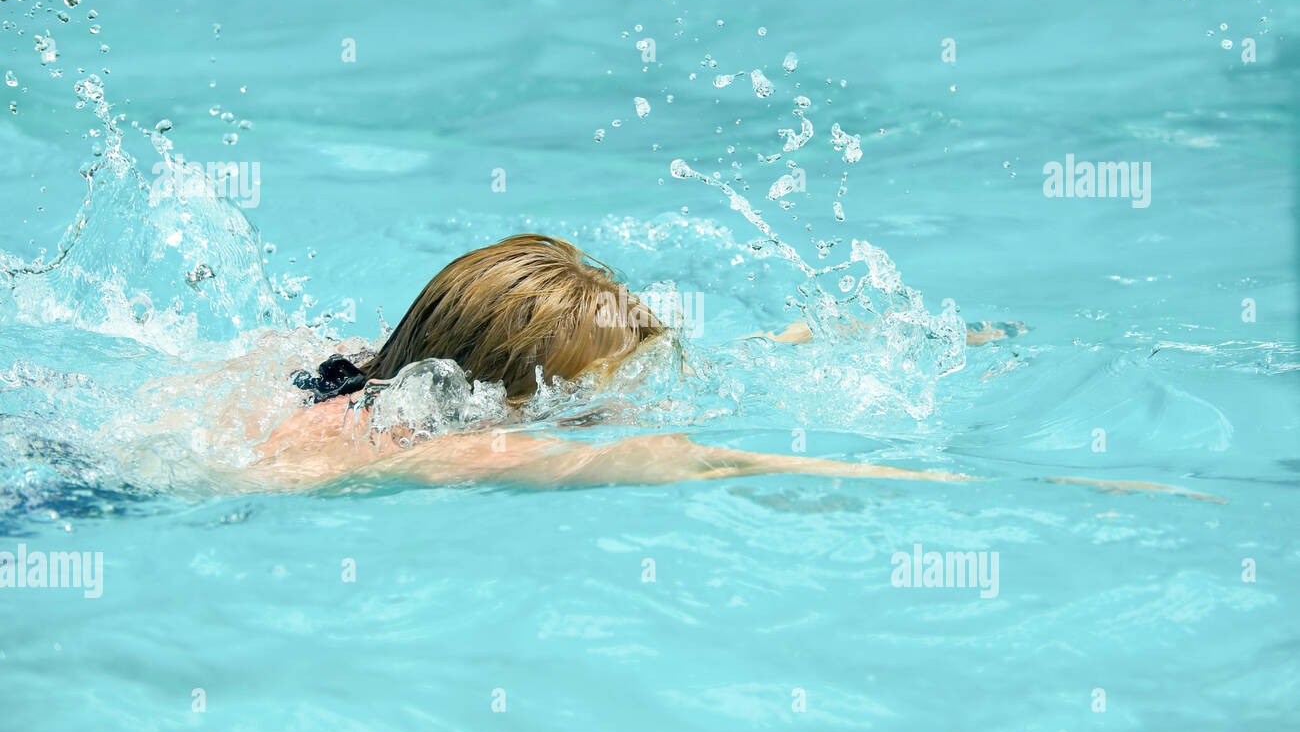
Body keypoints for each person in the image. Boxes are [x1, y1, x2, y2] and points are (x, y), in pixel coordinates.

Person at [249, 234, 971, 490]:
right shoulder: (441, 452)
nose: (618, 405)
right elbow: (692, 461)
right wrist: (931, 479)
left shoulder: (360, 373)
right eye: (587, 396)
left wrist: (793, 340)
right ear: (503, 396)